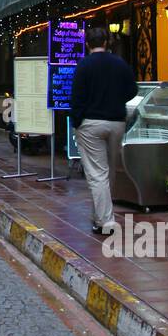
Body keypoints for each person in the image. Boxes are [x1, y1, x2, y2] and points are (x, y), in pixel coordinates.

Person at [69, 25, 137, 236]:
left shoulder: (84, 66)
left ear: (87, 44)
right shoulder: (120, 64)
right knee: (109, 171)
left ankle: (106, 222)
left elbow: (77, 97)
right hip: (116, 122)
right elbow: (132, 90)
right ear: (107, 42)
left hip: (90, 124)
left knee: (97, 174)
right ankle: (99, 218)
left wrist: (77, 121)